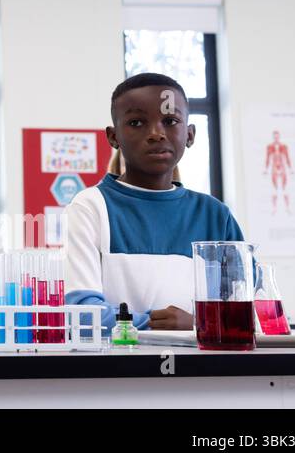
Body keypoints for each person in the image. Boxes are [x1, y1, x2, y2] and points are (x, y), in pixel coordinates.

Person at [64, 72, 244, 333]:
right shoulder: (90, 206)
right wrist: (154, 324)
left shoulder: (216, 215)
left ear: (190, 135)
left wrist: (198, 323)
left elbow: (252, 310)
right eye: (136, 122)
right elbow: (83, 313)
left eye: (170, 121)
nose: (156, 133)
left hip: (203, 371)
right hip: (117, 369)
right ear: (113, 137)